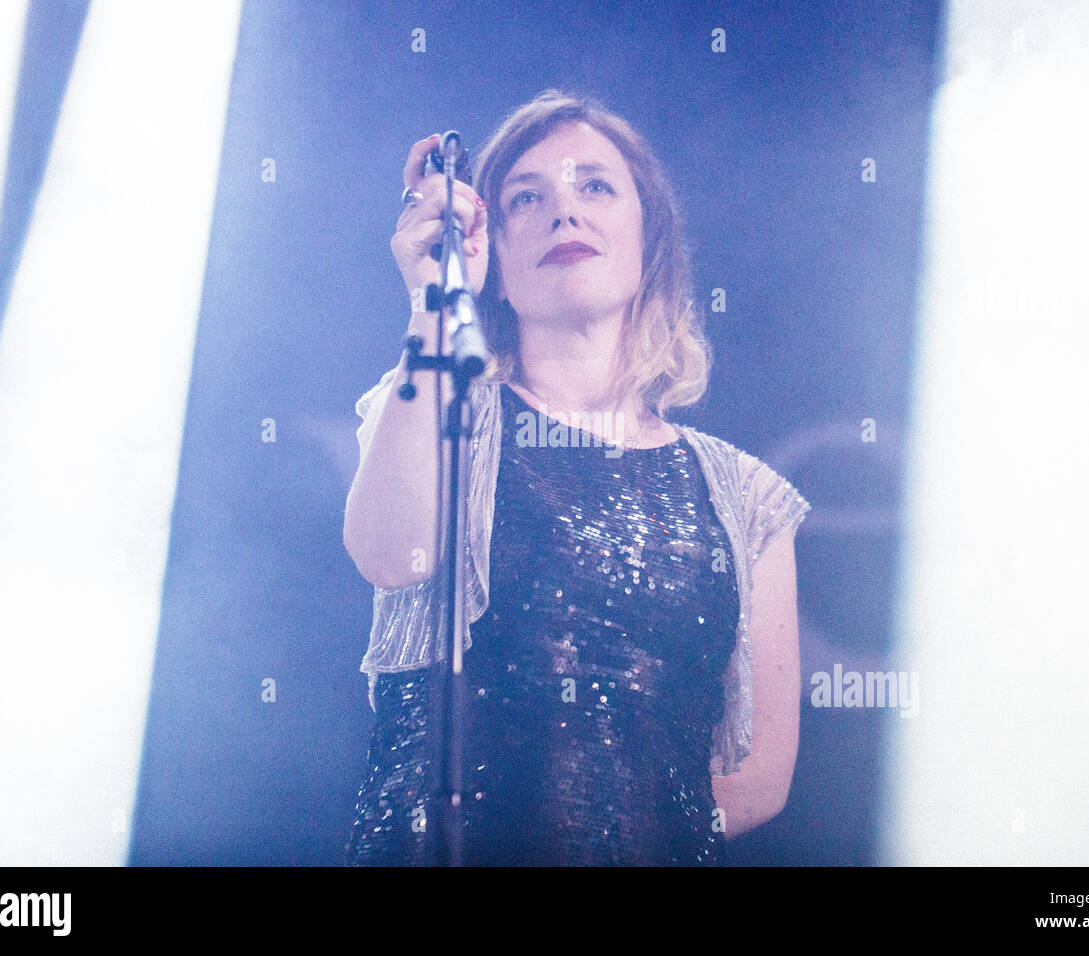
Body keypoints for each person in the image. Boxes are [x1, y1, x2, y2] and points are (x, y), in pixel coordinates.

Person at [342, 90, 809, 865]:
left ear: (647, 235)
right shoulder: (435, 409)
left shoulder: (747, 496)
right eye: (526, 197)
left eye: (594, 185)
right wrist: (435, 304)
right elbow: (392, 555)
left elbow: (759, 777)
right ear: (489, 254)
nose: (564, 211)